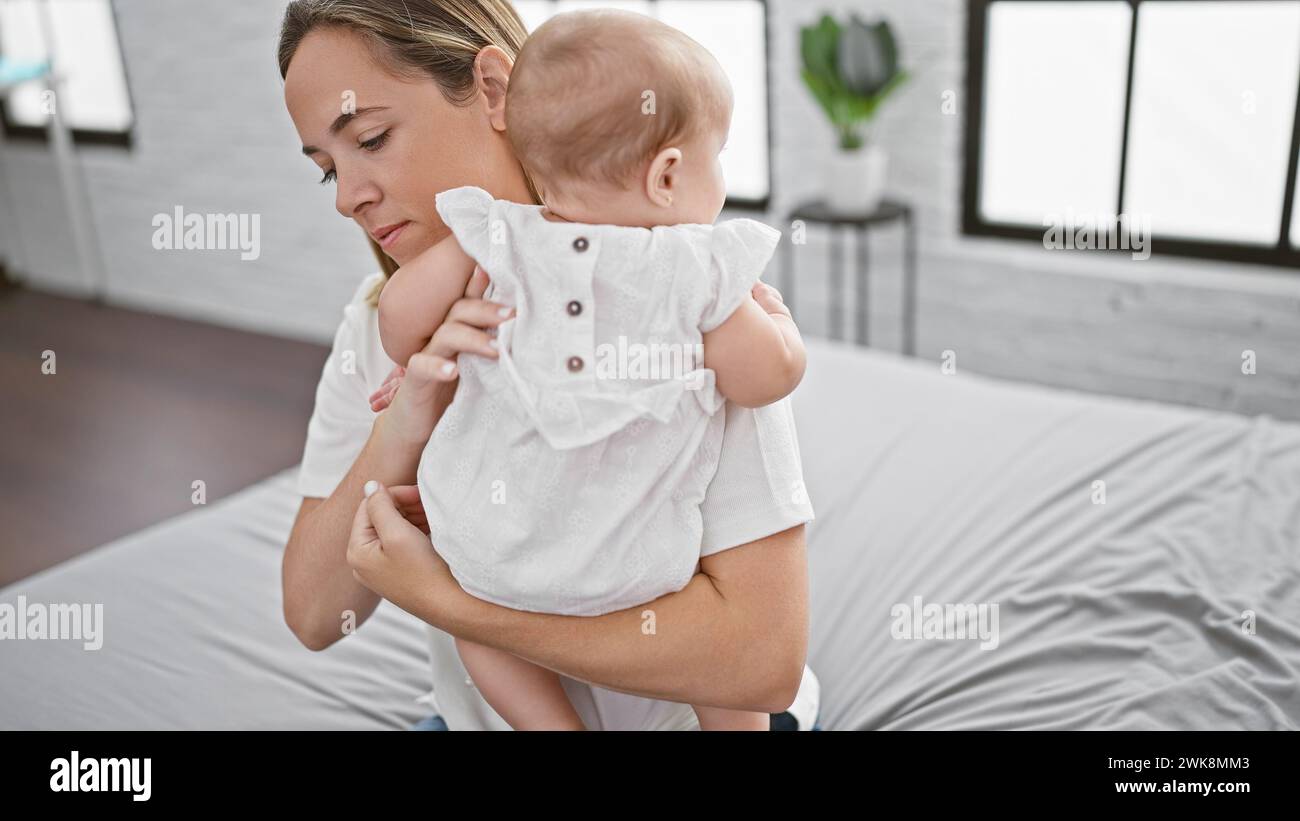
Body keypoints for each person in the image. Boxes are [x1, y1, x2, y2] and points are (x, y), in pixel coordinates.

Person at [278, 0, 820, 730]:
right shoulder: (383, 323)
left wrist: (453, 604)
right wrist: (404, 423)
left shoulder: (663, 288)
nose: (349, 197)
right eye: (326, 171)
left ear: (495, 90)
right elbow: (316, 615)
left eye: (371, 138)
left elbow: (761, 660)